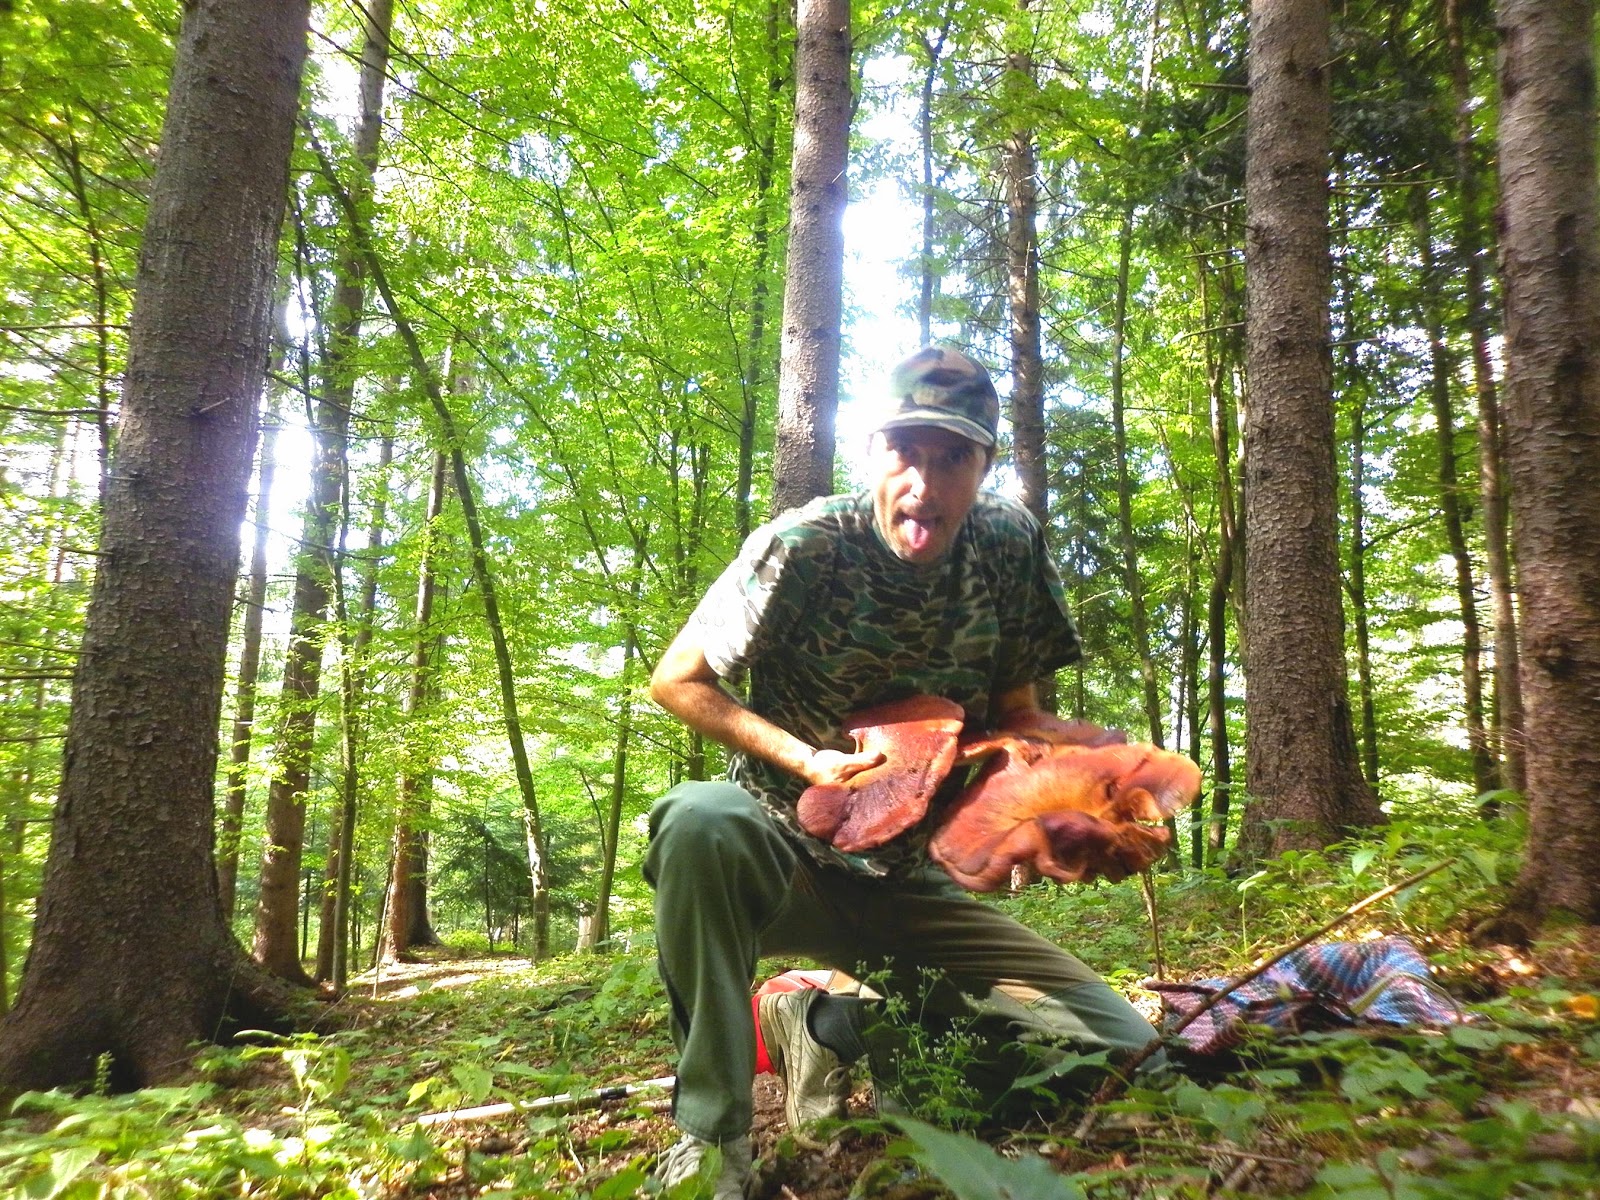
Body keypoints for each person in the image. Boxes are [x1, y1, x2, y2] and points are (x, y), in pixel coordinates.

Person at [645, 347, 1159, 1198]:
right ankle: (712, 1141)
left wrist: (1081, 786)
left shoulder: (1007, 545)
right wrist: (806, 759)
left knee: (1127, 1055)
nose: (924, 482)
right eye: (905, 452)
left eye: (952, 456)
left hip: (917, 885)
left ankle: (828, 1026)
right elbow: (676, 680)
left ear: (984, 466)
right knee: (699, 819)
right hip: (782, 858)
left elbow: (1015, 712)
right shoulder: (804, 547)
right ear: (872, 453)